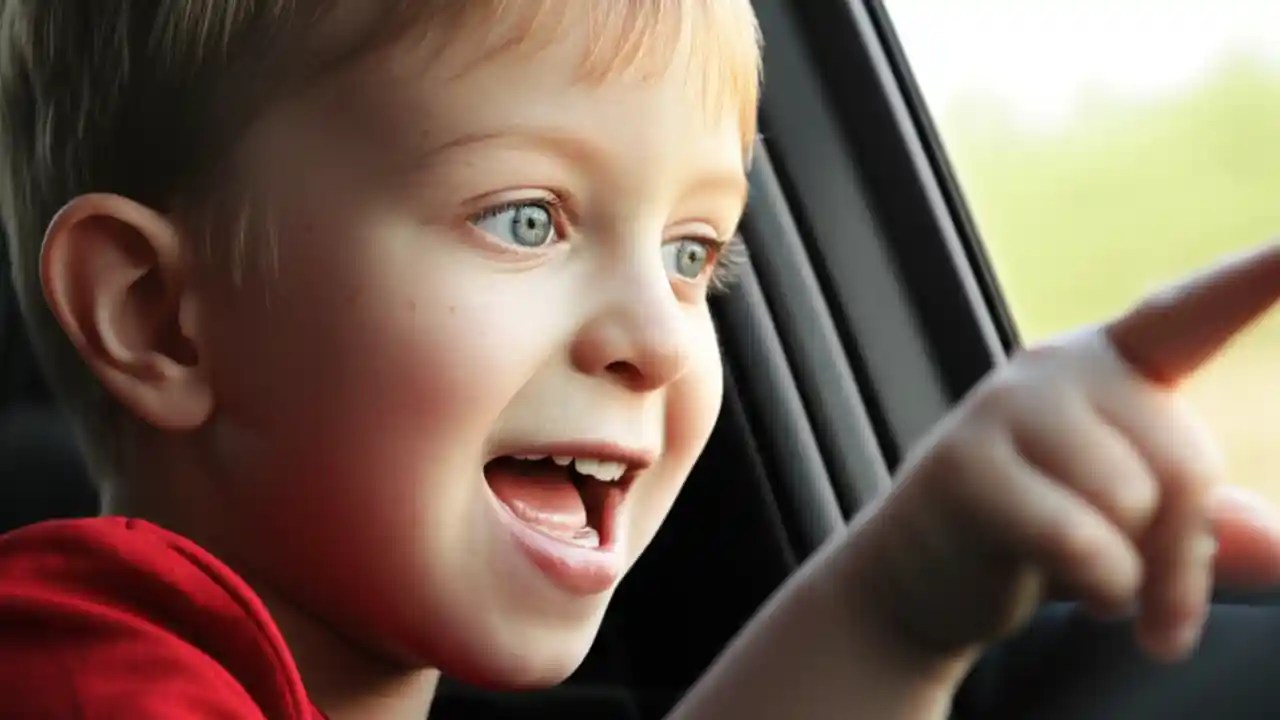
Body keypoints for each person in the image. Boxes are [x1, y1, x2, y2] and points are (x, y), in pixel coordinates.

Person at [0, 1, 1277, 718]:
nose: (662, 336)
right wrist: (884, 609)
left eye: (693, 255)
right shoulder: (71, 666)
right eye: (524, 218)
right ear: (157, 314)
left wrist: (904, 609)